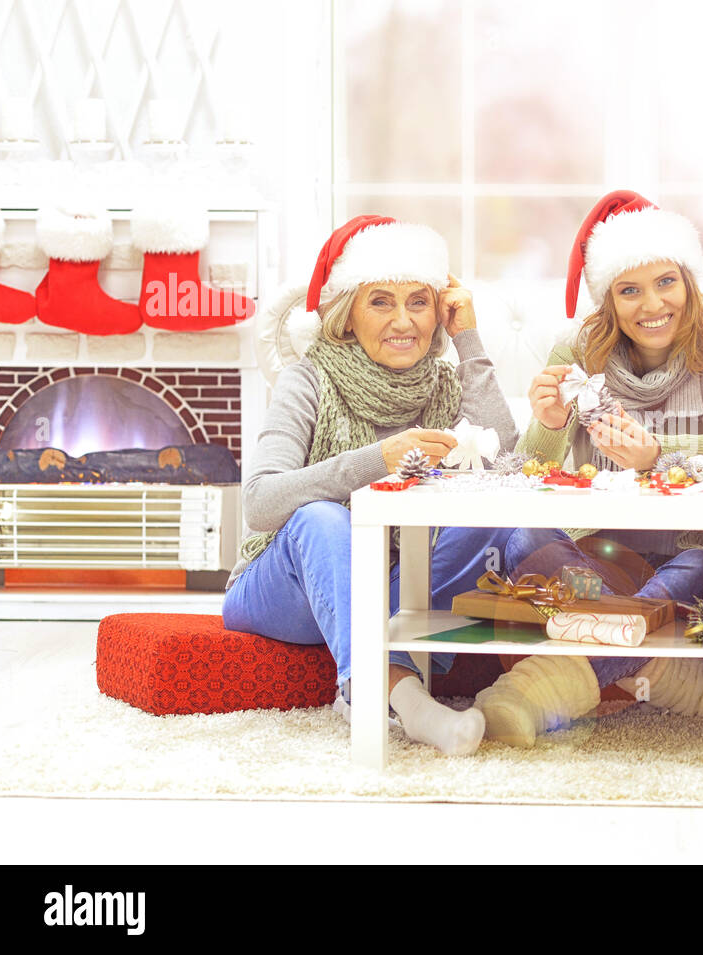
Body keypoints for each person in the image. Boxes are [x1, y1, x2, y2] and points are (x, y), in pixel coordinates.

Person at [474, 190, 703, 747]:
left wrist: (655, 456)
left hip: (688, 547)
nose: (651, 303)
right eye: (629, 290)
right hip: (597, 555)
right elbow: (536, 468)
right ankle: (678, 677)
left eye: (666, 282)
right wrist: (547, 418)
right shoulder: (577, 352)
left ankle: (534, 694)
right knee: (522, 538)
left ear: (688, 281)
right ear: (608, 299)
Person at [222, 215, 519, 756]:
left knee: (490, 508)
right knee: (322, 517)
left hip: (394, 584)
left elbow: (504, 456)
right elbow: (261, 503)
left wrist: (468, 338)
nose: (403, 321)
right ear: (347, 314)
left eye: (419, 301)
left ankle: (385, 682)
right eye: (381, 301)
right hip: (286, 584)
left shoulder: (444, 385)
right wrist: (376, 460)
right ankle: (397, 698)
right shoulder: (307, 379)